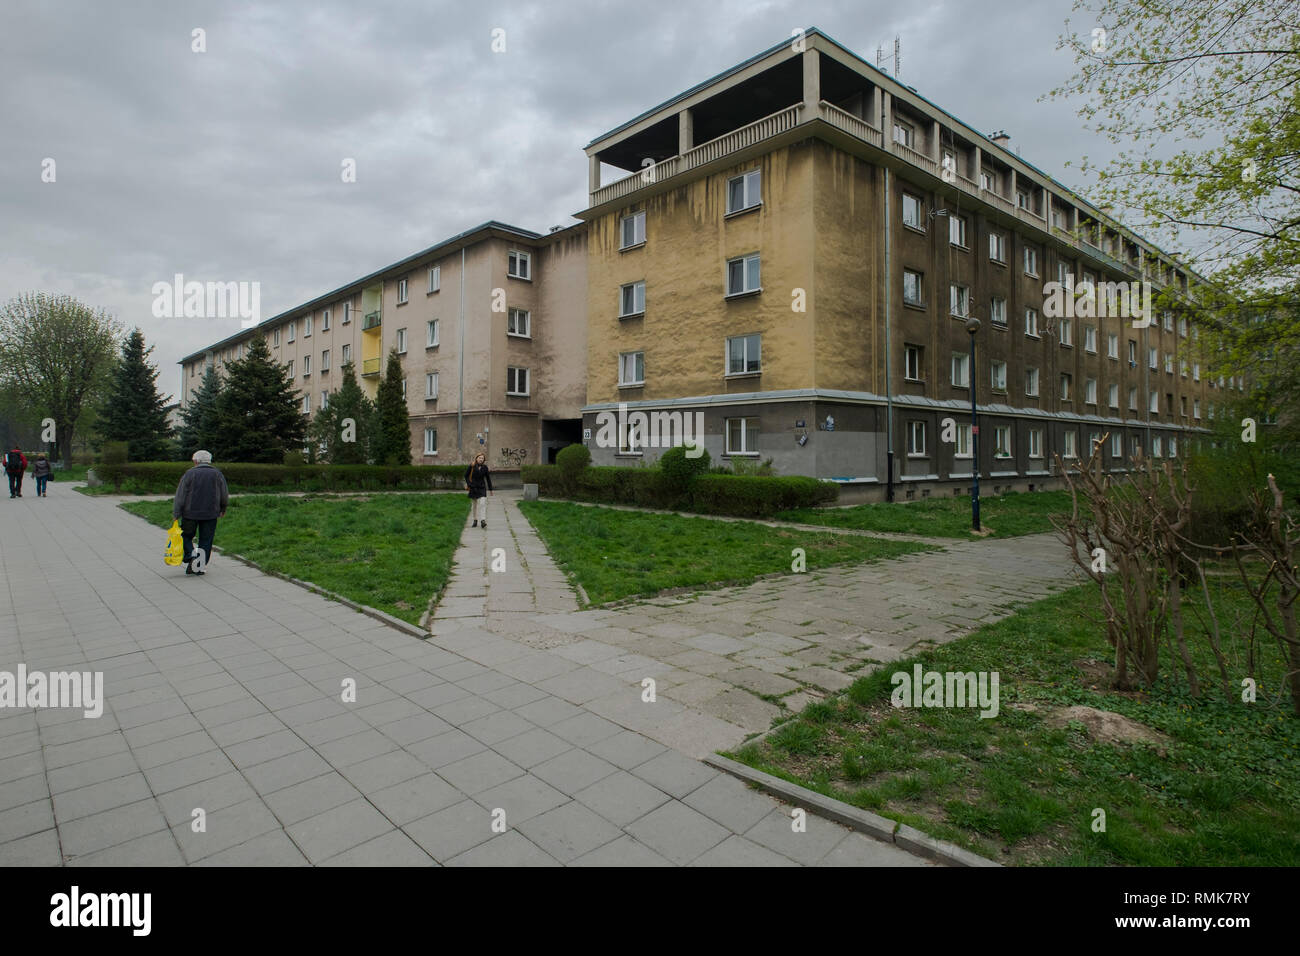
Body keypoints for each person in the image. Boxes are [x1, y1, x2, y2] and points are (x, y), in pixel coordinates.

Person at [172, 450, 228, 575]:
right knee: (206, 539)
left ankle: (191, 556)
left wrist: (176, 513)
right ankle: (198, 566)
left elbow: (180, 495)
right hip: (210, 513)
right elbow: (224, 493)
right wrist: (223, 508)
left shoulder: (189, 474)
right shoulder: (217, 474)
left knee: (185, 536)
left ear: (196, 461)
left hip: (190, 513)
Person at [464, 452, 493, 528]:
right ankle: (475, 520)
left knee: (483, 503)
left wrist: (490, 489)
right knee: (474, 505)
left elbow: (488, 478)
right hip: (473, 487)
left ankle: (483, 520)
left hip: (482, 487)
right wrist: (469, 484)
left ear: (484, 460)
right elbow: (466, 476)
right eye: (479, 458)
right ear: (476, 458)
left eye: (482, 458)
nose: (481, 459)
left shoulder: (485, 467)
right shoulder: (472, 465)